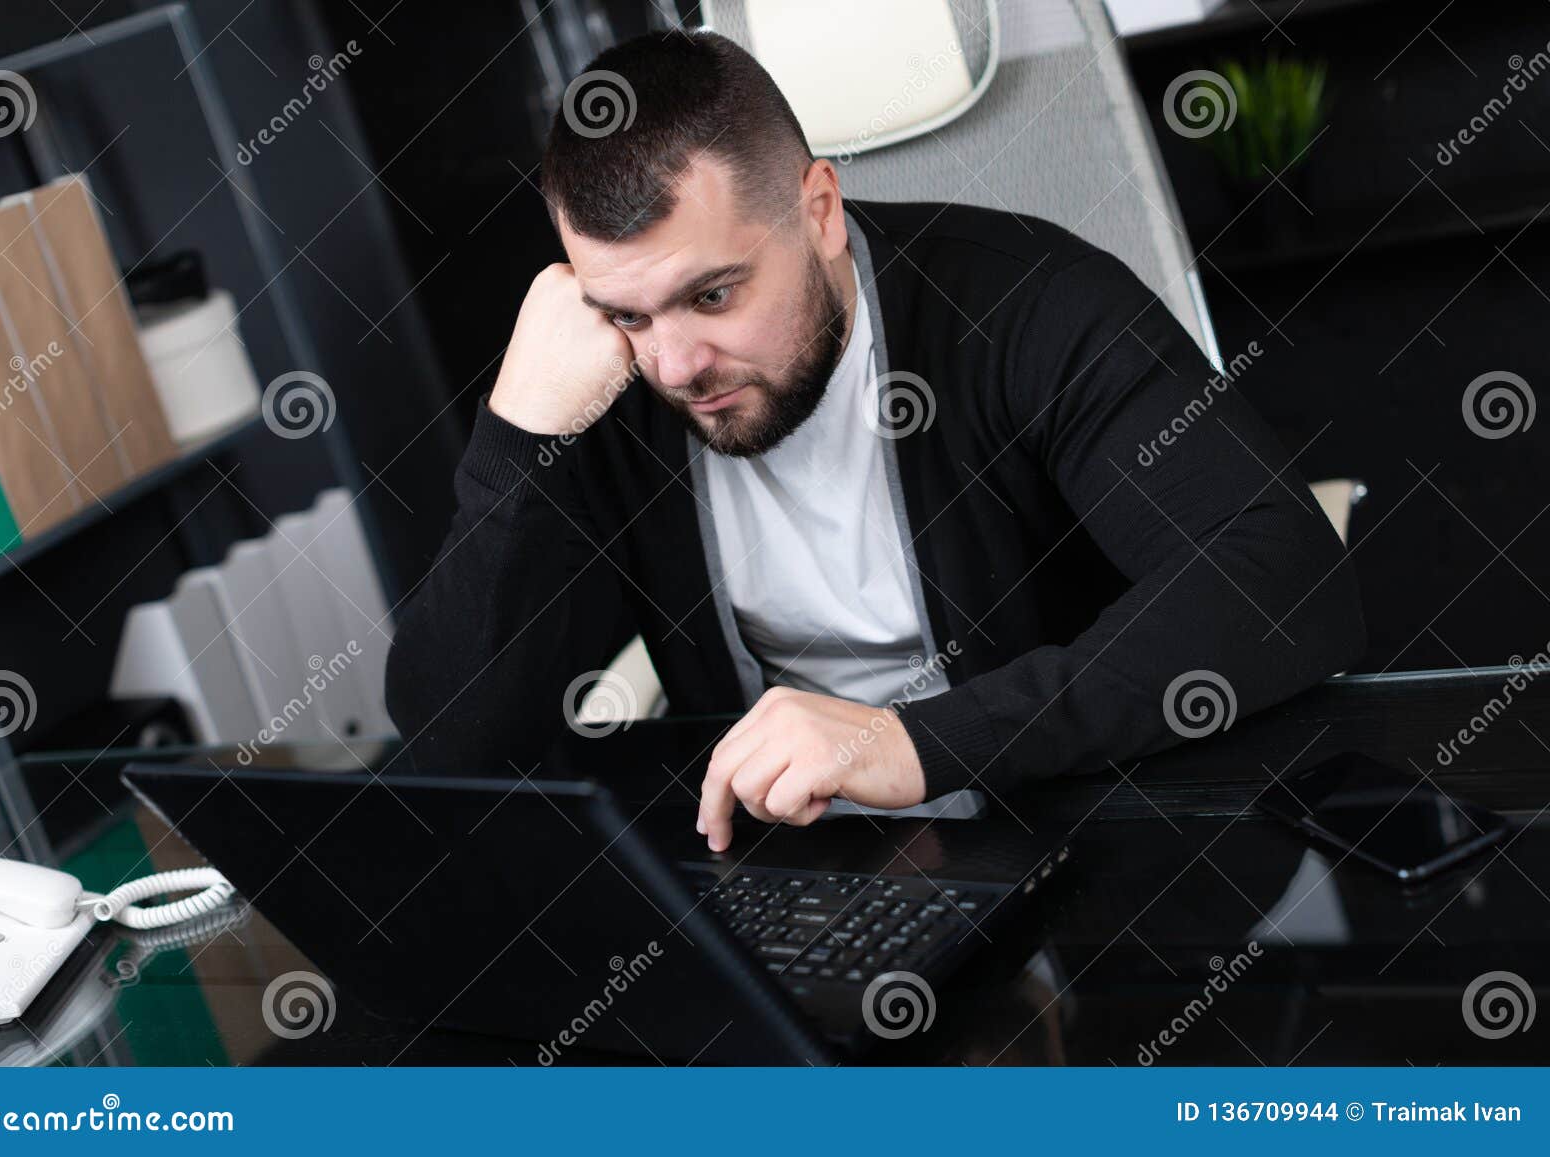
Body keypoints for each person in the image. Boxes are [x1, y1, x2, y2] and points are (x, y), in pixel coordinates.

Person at [384, 29, 1364, 852]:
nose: (675, 363)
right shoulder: (611, 380)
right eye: (627, 312)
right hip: (807, 881)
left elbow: (1280, 579)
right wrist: (518, 442)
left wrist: (919, 742)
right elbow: (450, 743)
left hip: (1088, 838)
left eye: (713, 293)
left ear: (817, 211)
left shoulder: (1028, 302)